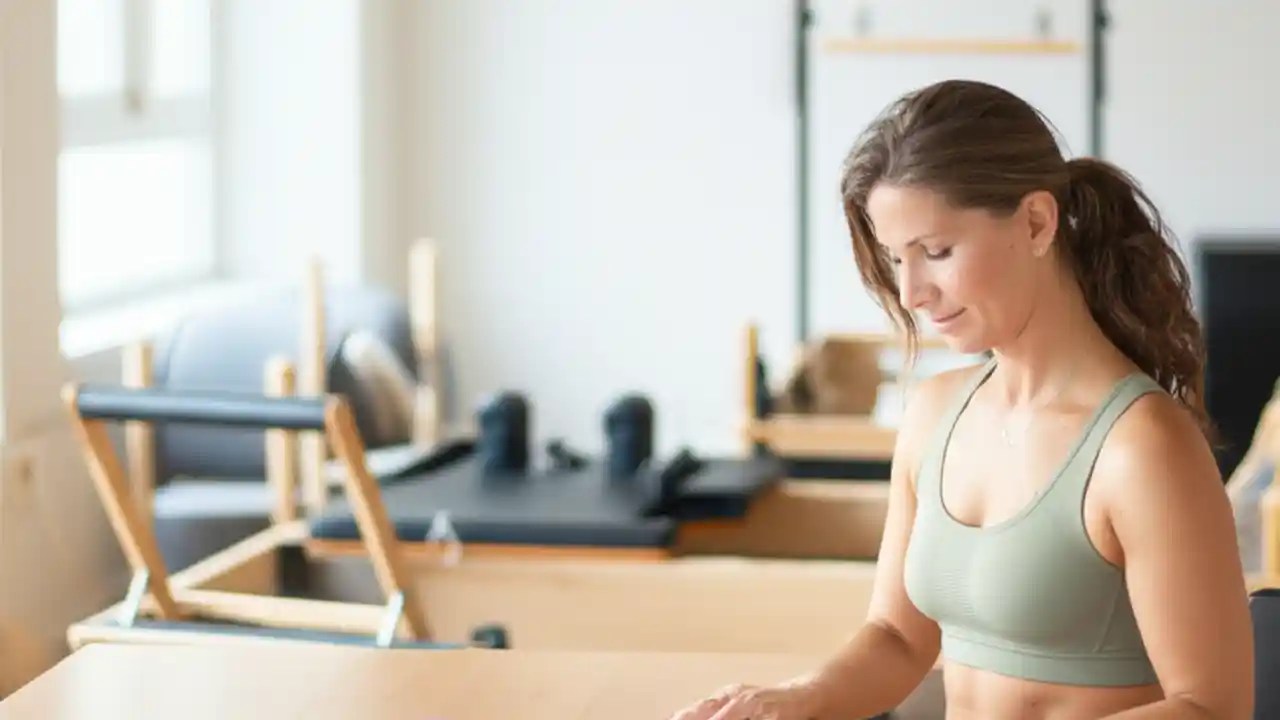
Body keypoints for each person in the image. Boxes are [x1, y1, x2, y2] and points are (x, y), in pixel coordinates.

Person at [667, 79, 1255, 719]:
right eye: (896, 259)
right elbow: (897, 638)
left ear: (1036, 222)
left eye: (937, 252)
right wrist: (799, 698)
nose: (913, 291)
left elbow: (1211, 707)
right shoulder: (933, 413)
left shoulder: (1141, 447)